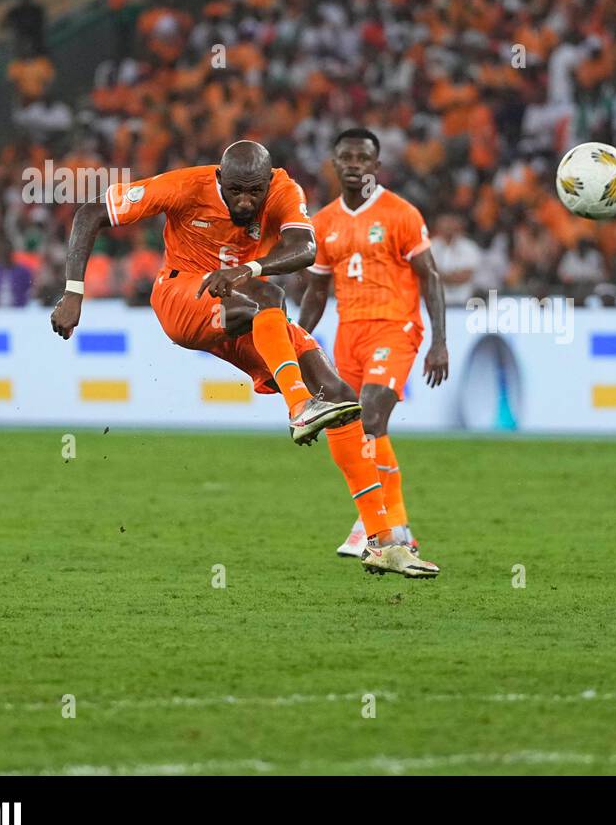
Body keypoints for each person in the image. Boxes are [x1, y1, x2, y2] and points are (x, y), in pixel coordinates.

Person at [50, 140, 439, 579]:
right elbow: (90, 215)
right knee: (266, 296)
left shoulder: (283, 190)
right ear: (220, 179)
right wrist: (73, 292)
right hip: (183, 296)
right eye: (236, 191)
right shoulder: (185, 186)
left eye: (254, 190)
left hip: (247, 311)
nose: (246, 201)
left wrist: (248, 269)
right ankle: (299, 407)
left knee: (339, 395)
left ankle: (383, 540)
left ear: (267, 181)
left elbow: (305, 249)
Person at [297, 128, 449, 564]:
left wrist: (439, 342)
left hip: (395, 327)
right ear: (334, 163)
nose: (354, 164)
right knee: (348, 428)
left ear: (376, 166)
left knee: (372, 412)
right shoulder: (323, 222)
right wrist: (296, 345)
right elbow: (316, 293)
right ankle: (394, 528)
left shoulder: (401, 213)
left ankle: (377, 521)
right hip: (350, 334)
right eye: (345, 157)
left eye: (363, 158)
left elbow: (431, 277)